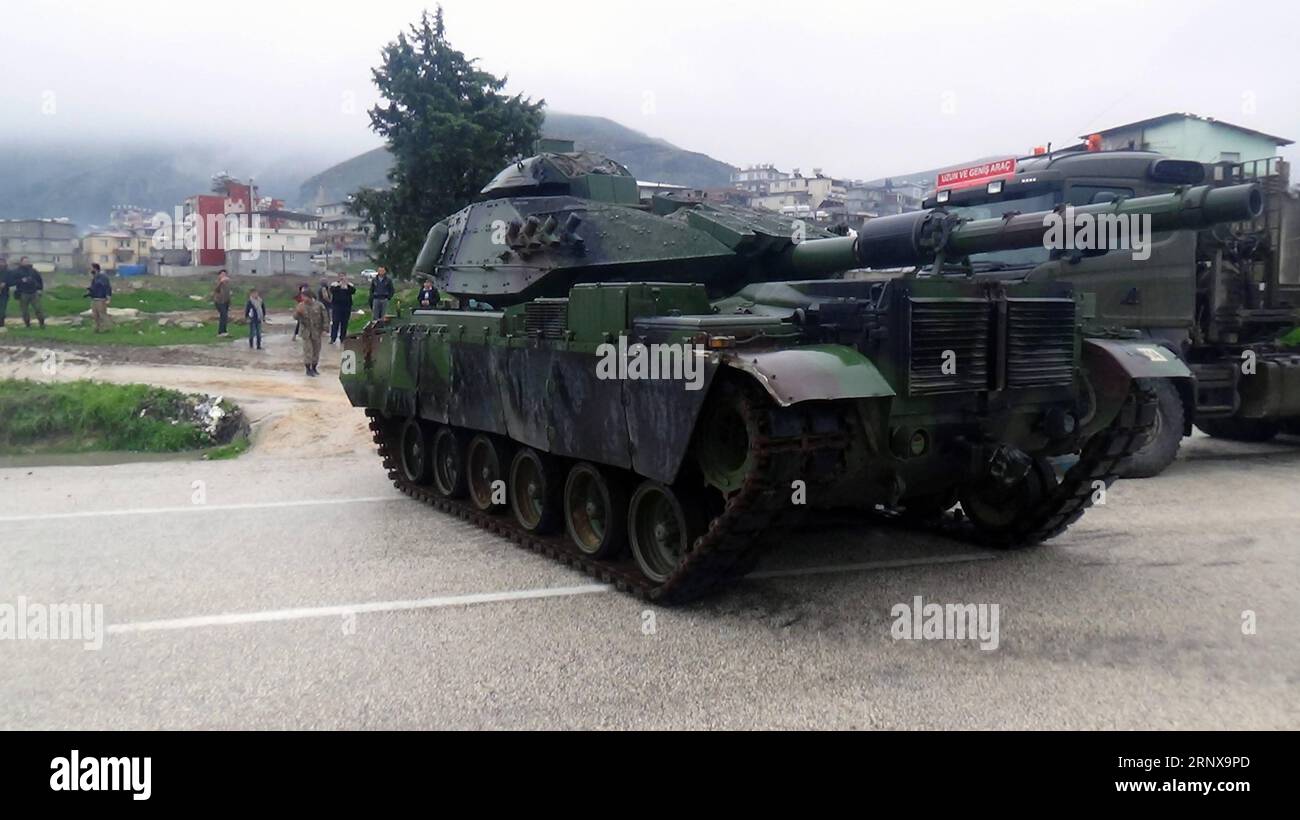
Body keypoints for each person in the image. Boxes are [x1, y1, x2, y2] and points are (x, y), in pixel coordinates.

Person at [294, 289, 329, 376]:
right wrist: (298, 312)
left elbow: (325, 317)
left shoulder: (319, 305)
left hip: (317, 331)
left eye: (304, 297)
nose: (303, 299)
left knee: (316, 350)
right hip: (306, 332)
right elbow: (295, 317)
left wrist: (325, 329)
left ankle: (314, 367)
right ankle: (308, 369)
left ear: (310, 297)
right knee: (308, 350)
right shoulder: (301, 305)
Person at [14, 257, 45, 329]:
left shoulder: (33, 271)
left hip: (33, 292)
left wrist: (40, 289)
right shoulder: (17, 271)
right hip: (23, 293)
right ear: (21, 262)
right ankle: (27, 325)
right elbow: (13, 281)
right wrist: (21, 280)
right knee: (24, 311)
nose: (26, 263)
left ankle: (42, 324)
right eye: (24, 261)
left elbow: (39, 280)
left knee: (38, 309)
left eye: (27, 261)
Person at [328, 272, 356, 344]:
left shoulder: (350, 284)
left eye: (343, 276)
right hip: (337, 306)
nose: (342, 278)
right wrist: (340, 285)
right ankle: (333, 338)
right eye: (340, 276)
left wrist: (347, 284)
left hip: (346, 306)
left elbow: (353, 291)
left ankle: (342, 338)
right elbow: (332, 291)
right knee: (335, 322)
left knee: (345, 323)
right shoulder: (334, 284)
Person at [86, 263, 113, 333]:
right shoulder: (94, 277)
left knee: (102, 314)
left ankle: (107, 328)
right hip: (94, 299)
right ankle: (97, 328)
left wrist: (108, 297)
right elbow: (93, 287)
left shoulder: (103, 277)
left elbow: (107, 287)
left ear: (95, 268)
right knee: (95, 315)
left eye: (91, 268)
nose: (90, 270)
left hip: (101, 299)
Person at [212, 269, 232, 337]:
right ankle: (220, 332)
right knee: (223, 315)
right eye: (222, 274)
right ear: (219, 275)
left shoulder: (227, 283)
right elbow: (216, 290)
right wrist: (221, 282)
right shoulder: (217, 282)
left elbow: (228, 293)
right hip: (219, 301)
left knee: (225, 317)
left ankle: (224, 331)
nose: (224, 276)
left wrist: (229, 303)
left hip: (226, 302)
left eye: (225, 274)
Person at [0, 257, 11, 327]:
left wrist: (5, 283)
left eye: (2, 262)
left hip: (4, 293)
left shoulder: (8, 272)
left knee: (2, 309)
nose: (1, 264)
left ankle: (1, 324)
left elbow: (11, 281)